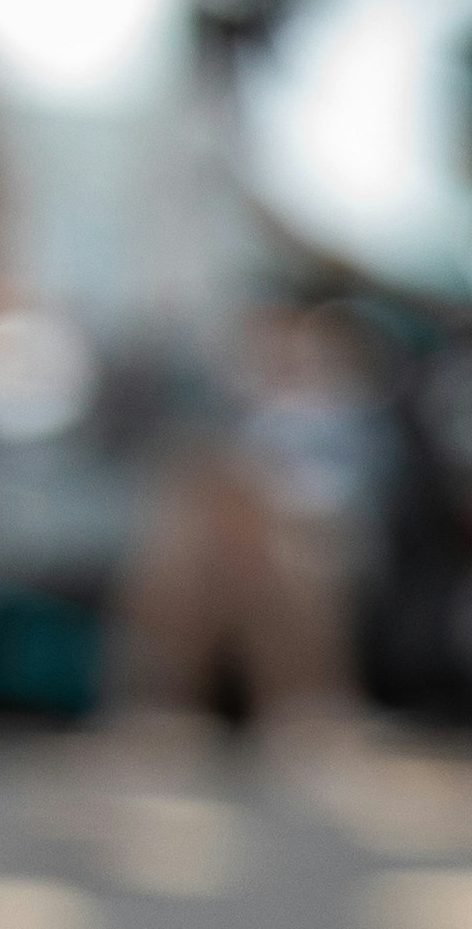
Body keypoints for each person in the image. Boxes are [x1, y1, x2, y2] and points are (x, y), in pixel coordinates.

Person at [100, 304, 378, 738]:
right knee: (191, 529)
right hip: (233, 555)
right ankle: (301, 704)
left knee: (245, 544)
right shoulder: (232, 416)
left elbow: (346, 509)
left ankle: (163, 703)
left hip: (312, 548)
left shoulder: (347, 419)